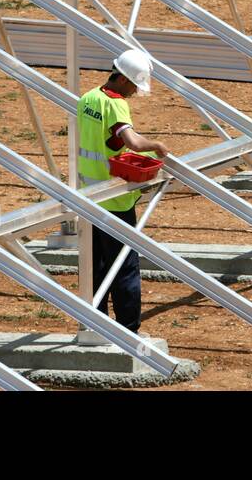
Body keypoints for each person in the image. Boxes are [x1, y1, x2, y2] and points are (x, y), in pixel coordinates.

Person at [76, 48, 169, 333]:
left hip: (89, 196)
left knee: (96, 265)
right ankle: (129, 329)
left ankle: (96, 321)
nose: (133, 93)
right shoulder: (115, 104)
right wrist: (155, 145)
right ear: (125, 80)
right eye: (134, 86)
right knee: (124, 266)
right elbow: (131, 141)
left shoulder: (88, 97)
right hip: (115, 199)